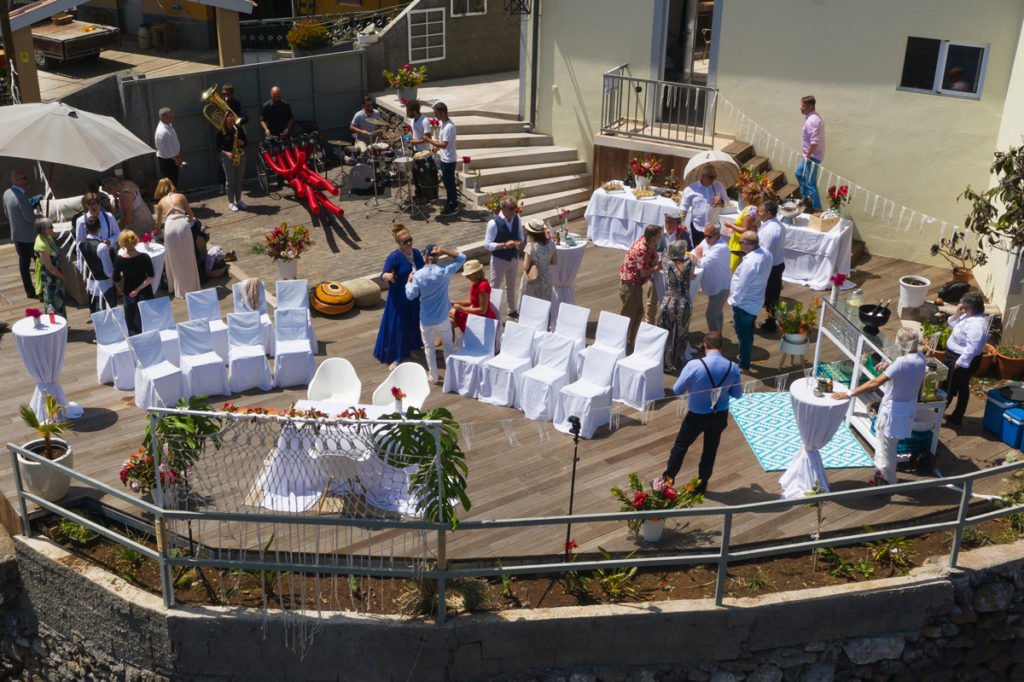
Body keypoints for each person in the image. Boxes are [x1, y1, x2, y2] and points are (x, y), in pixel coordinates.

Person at [653, 332, 742, 496]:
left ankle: (667, 481)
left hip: (696, 416)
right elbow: (737, 394)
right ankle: (701, 485)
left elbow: (677, 389)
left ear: (705, 345)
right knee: (710, 451)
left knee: (680, 447)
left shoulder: (694, 365)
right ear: (721, 347)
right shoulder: (733, 367)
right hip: (719, 415)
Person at [833, 328, 926, 485]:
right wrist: (890, 365)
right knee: (885, 443)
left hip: (893, 411)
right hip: (907, 408)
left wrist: (849, 393)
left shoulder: (901, 363)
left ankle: (889, 480)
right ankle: (881, 473)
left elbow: (875, 383)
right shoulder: (921, 358)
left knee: (888, 448)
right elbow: (906, 370)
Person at [406, 243, 466, 384]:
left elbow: (410, 295)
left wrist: (408, 282)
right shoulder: (444, 271)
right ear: (437, 257)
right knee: (448, 346)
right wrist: (444, 250)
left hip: (426, 319)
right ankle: (452, 374)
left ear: (425, 257)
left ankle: (433, 376)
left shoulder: (418, 275)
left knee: (429, 348)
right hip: (443, 318)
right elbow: (462, 257)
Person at [374, 224, 425, 370]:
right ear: (399, 244)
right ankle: (397, 355)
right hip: (399, 296)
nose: (409, 244)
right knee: (400, 325)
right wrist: (386, 276)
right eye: (405, 242)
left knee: (414, 321)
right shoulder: (394, 257)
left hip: (414, 295)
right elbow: (383, 274)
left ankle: (412, 347)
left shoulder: (416, 253)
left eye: (410, 240)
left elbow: (423, 270)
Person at [942, 291, 990, 427]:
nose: (961, 308)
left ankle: (946, 413)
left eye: (963, 307)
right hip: (953, 356)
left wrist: (959, 363)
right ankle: (955, 414)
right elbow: (952, 323)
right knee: (957, 385)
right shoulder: (968, 316)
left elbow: (973, 348)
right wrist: (958, 312)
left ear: (970, 308)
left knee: (952, 386)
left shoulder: (977, 325)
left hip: (961, 359)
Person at [728, 231, 772, 370]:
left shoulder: (750, 262)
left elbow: (742, 285)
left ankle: (744, 363)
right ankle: (746, 354)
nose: (740, 245)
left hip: (744, 303)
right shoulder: (767, 254)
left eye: (741, 242)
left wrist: (733, 301)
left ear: (746, 243)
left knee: (743, 334)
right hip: (756, 300)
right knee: (748, 331)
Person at [619, 224, 663, 349]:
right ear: (653, 238)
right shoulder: (641, 250)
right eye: (659, 236)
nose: (661, 237)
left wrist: (655, 258)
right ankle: (621, 343)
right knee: (628, 316)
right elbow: (643, 273)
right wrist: (656, 268)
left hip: (635, 284)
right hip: (630, 285)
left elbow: (654, 255)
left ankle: (630, 341)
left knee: (638, 313)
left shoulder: (647, 242)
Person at [657, 241, 695, 372]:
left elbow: (661, 259)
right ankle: (679, 360)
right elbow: (691, 268)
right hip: (685, 303)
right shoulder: (691, 262)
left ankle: (666, 363)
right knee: (682, 334)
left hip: (669, 301)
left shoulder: (666, 262)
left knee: (665, 332)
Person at [484, 196, 523, 319]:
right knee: (494, 288)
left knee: (511, 285)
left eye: (515, 208)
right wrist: (504, 245)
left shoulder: (517, 218)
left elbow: (520, 234)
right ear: (503, 208)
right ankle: (492, 313)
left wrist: (519, 241)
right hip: (499, 260)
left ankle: (512, 310)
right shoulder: (493, 223)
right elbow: (487, 245)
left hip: (513, 258)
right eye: (511, 209)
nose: (514, 211)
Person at [645, 208, 686, 325]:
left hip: (674, 274)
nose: (667, 223)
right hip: (657, 272)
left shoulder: (682, 234)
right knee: (652, 301)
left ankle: (666, 325)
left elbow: (688, 251)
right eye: (667, 221)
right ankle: (649, 324)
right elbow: (650, 252)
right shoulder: (657, 234)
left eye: (673, 222)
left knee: (670, 302)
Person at [691, 221, 731, 334]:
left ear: (717, 234)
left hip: (721, 287)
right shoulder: (707, 240)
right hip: (715, 284)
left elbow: (701, 263)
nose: (706, 238)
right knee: (717, 313)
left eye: (709, 236)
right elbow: (694, 251)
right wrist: (697, 255)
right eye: (704, 235)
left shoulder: (721, 247)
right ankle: (718, 336)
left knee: (711, 315)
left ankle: (714, 340)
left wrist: (698, 256)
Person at [113, 230, 155, 335]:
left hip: (129, 292)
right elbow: (151, 277)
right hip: (145, 292)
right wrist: (138, 289)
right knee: (149, 321)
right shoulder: (145, 257)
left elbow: (116, 279)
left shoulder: (119, 260)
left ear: (122, 243)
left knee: (133, 324)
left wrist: (122, 277)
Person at [5, 168, 38, 299]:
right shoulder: (21, 197)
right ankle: (42, 291)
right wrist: (39, 216)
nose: (27, 180)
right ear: (17, 180)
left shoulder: (7, 193)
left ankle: (29, 291)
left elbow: (6, 213)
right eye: (24, 178)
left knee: (24, 265)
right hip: (29, 237)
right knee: (39, 264)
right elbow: (29, 218)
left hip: (17, 235)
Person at [757, 201, 787, 332]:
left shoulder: (769, 230)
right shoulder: (778, 225)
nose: (758, 213)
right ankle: (771, 321)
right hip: (777, 264)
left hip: (770, 267)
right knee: (773, 295)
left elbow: (765, 252)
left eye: (761, 211)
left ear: (768, 213)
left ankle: (770, 323)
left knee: (767, 295)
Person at [681, 164, 728, 248]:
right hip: (698, 227)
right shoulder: (691, 189)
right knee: (698, 250)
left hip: (714, 227)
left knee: (713, 250)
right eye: (710, 177)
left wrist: (721, 202)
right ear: (703, 176)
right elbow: (684, 207)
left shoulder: (719, 186)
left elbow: (727, 202)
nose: (713, 179)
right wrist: (682, 222)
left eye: (715, 177)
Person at [162, 203, 201, 300]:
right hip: (183, 225)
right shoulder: (181, 196)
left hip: (169, 226)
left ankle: (178, 287)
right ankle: (193, 286)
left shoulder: (161, 202)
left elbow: (158, 223)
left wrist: (157, 229)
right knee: (189, 256)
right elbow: (191, 216)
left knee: (174, 259)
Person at [79, 215, 116, 313]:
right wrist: (114, 278)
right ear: (99, 227)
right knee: (108, 313)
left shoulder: (81, 244)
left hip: (90, 283)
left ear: (87, 229)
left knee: (96, 311)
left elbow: (81, 265)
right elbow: (108, 271)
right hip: (104, 285)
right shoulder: (102, 247)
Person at [429, 101, 459, 216]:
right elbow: (443, 142)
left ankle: (453, 206)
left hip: (449, 160)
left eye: (436, 113)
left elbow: (444, 144)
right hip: (445, 158)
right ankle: (450, 203)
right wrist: (436, 147)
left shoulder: (449, 127)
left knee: (449, 184)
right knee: (447, 183)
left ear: (442, 113)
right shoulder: (444, 124)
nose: (435, 115)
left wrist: (430, 141)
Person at [451, 259, 498, 332]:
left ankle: (447, 336)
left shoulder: (483, 286)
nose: (467, 277)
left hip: (482, 317)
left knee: (448, 316)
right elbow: (470, 301)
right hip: (476, 313)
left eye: (468, 275)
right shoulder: (475, 284)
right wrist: (454, 302)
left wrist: (462, 308)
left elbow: (483, 310)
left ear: (476, 274)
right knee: (449, 320)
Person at [796, 95, 825, 211]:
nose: (800, 107)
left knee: (811, 183)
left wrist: (808, 156)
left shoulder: (812, 121)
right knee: (798, 173)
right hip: (809, 155)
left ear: (810, 106)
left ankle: (817, 208)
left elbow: (814, 143)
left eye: (803, 106)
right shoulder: (814, 117)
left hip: (812, 156)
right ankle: (806, 197)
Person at [33, 218, 66, 317]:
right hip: (50, 278)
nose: (53, 227)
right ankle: (55, 324)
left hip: (56, 274)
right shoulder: (42, 245)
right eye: (50, 227)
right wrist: (62, 276)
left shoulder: (48, 237)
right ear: (44, 230)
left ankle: (63, 322)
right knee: (52, 303)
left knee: (60, 301)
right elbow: (49, 267)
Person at [216, 110, 248, 212]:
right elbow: (217, 147)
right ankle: (231, 202)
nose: (231, 118)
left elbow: (246, 142)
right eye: (228, 117)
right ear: (225, 119)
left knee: (239, 180)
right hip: (228, 157)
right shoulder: (221, 131)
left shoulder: (238, 129)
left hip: (239, 156)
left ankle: (238, 201)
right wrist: (227, 153)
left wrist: (242, 142)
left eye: (232, 116)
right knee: (230, 181)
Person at [520, 219, 557, 305]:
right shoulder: (551, 243)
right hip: (547, 277)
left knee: (532, 304)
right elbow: (554, 261)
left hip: (534, 278)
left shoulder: (530, 246)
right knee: (545, 303)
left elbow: (525, 266)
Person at [728, 185, 763, 272]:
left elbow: (745, 230)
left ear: (748, 195)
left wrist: (730, 225)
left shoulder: (750, 210)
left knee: (734, 269)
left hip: (741, 244)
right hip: (739, 241)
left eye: (743, 192)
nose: (741, 194)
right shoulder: (752, 208)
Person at [406, 99, 433, 203]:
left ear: (413, 111)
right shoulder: (413, 120)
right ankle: (418, 193)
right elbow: (412, 132)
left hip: (424, 153)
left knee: (424, 176)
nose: (407, 113)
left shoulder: (424, 121)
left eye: (408, 111)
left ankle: (426, 196)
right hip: (415, 151)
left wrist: (415, 142)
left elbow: (428, 138)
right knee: (415, 174)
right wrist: (406, 137)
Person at [154, 107, 183, 187]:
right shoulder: (163, 132)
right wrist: (178, 161)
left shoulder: (168, 125)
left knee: (173, 183)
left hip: (172, 159)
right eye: (171, 116)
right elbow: (168, 152)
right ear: (165, 118)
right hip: (168, 161)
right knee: (171, 184)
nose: (173, 117)